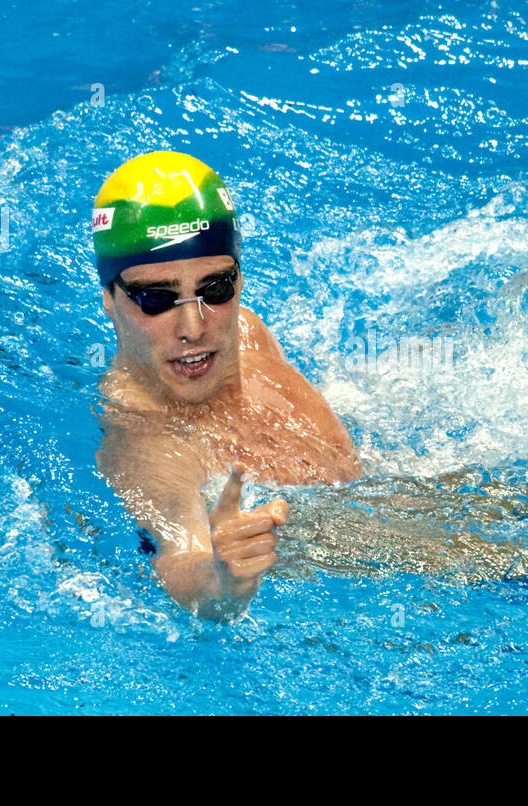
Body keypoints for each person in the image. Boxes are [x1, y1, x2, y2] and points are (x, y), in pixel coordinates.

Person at [91, 151, 361, 621]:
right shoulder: (145, 439)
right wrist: (221, 579)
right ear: (110, 301)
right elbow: (180, 557)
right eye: (157, 298)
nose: (194, 327)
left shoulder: (248, 333)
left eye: (215, 288)